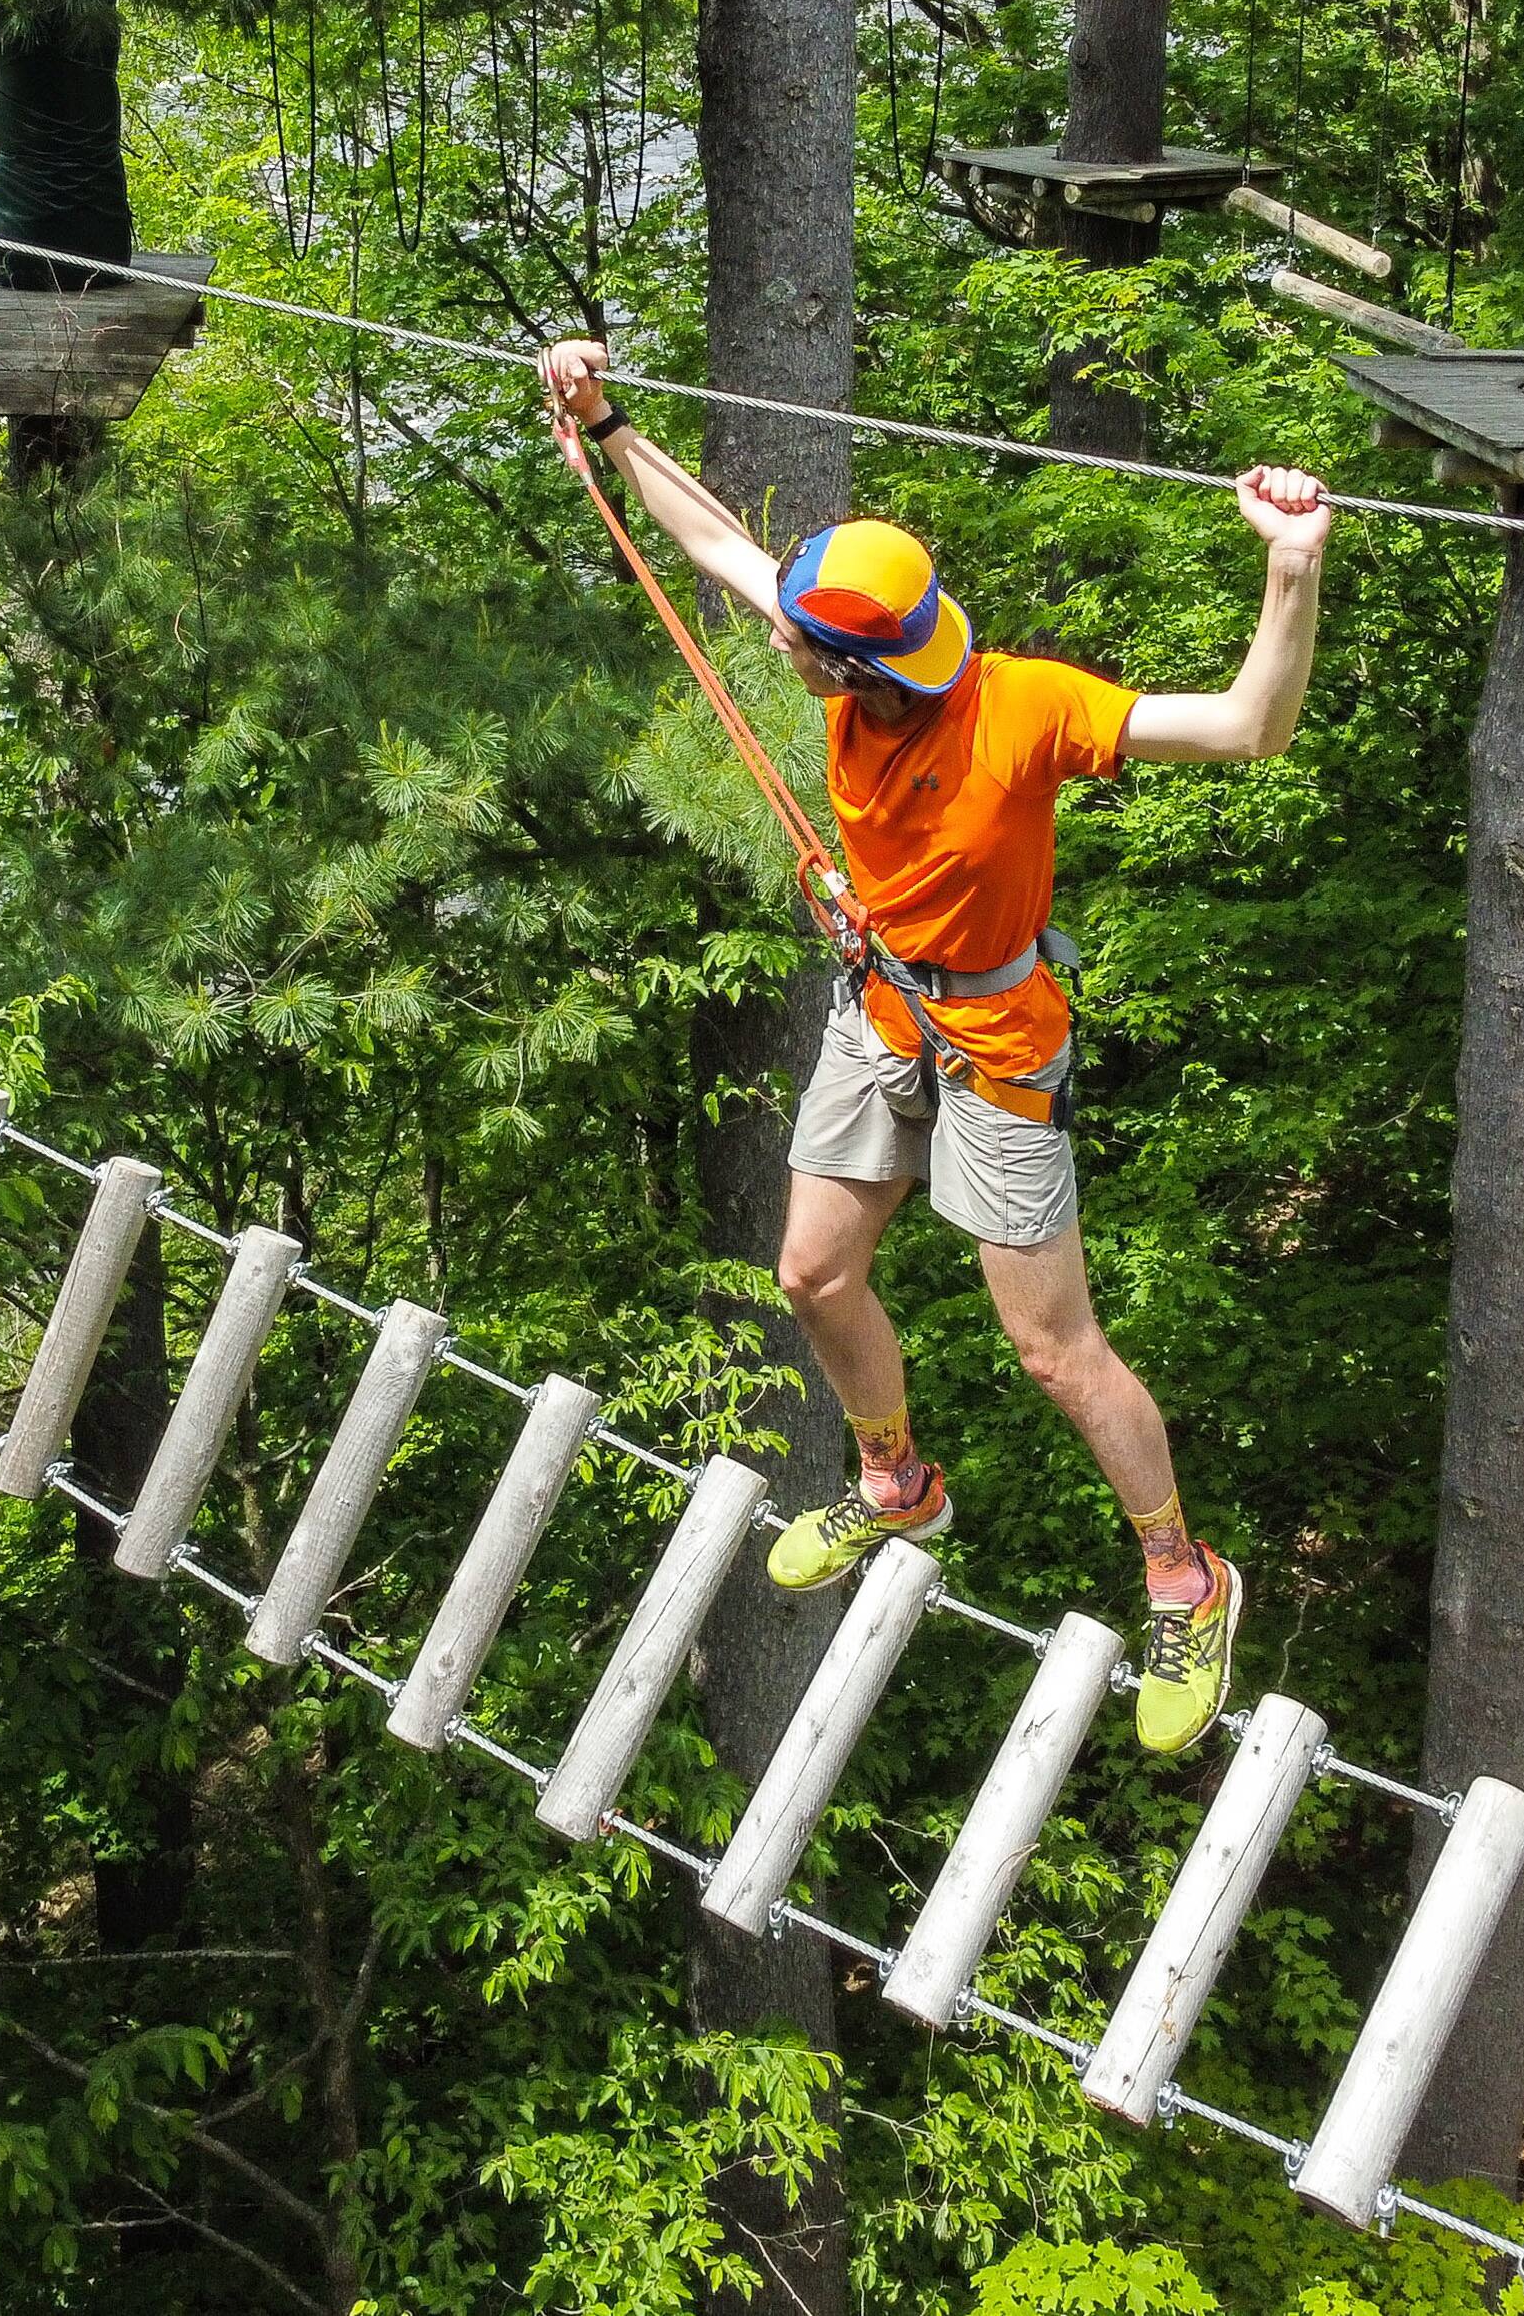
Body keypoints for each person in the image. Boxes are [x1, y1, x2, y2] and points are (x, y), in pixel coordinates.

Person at [537, 335, 1332, 1759]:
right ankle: (895, 1477)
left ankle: (1180, 1572)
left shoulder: (1019, 707)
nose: (770, 639)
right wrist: (602, 424)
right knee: (811, 1270)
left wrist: (1288, 565)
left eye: (794, 638)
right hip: (879, 1007)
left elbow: (1244, 727)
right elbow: (719, 542)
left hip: (995, 1036)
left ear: (862, 662)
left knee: (1050, 1347)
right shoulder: (854, 671)